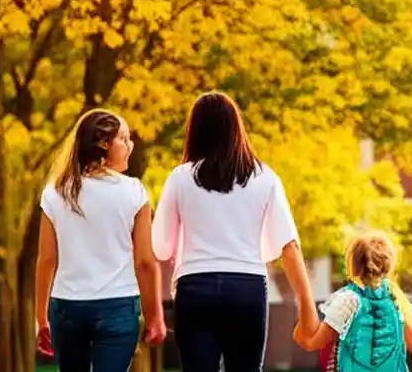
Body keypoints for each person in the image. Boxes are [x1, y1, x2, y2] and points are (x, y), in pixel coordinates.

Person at [152, 91, 318, 372]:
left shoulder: (180, 178)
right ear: (236, 128)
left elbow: (161, 248)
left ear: (196, 130)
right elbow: (289, 247)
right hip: (247, 288)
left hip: (195, 289)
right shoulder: (264, 176)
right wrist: (307, 306)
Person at [35, 109, 166, 372]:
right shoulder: (134, 192)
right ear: (103, 144)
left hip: (67, 308)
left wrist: (41, 318)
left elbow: (47, 260)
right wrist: (155, 317)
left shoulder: (56, 192)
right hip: (117, 307)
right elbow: (145, 262)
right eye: (124, 139)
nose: (130, 146)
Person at [293, 231, 412, 372]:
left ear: (353, 263)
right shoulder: (396, 300)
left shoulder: (348, 301)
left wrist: (300, 329)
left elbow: (314, 342)